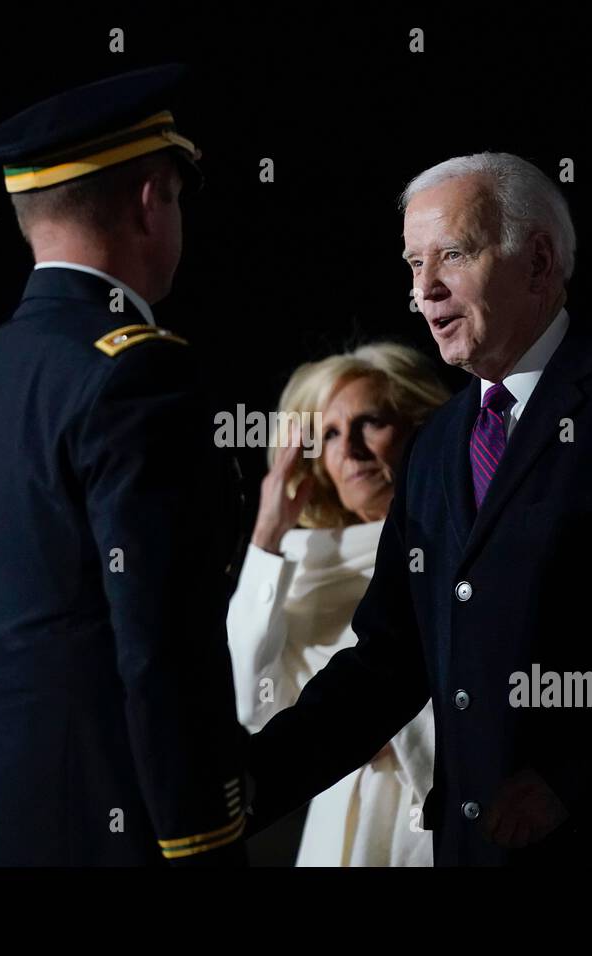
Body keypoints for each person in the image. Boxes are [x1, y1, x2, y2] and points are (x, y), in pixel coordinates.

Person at [245, 152, 592, 865]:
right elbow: (388, 661)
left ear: (538, 262)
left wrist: (574, 779)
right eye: (412, 264)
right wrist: (246, 786)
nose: (424, 289)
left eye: (452, 256)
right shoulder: (435, 447)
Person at [0, 65, 247, 865]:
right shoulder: (139, 372)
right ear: (154, 201)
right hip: (109, 825)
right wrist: (202, 837)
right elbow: (162, 644)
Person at [228, 343, 448, 865]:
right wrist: (267, 534)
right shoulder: (300, 570)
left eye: (370, 422)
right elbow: (246, 700)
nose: (349, 450)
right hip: (340, 822)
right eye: (329, 434)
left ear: (419, 428)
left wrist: (380, 725)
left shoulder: (454, 548)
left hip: (435, 817)